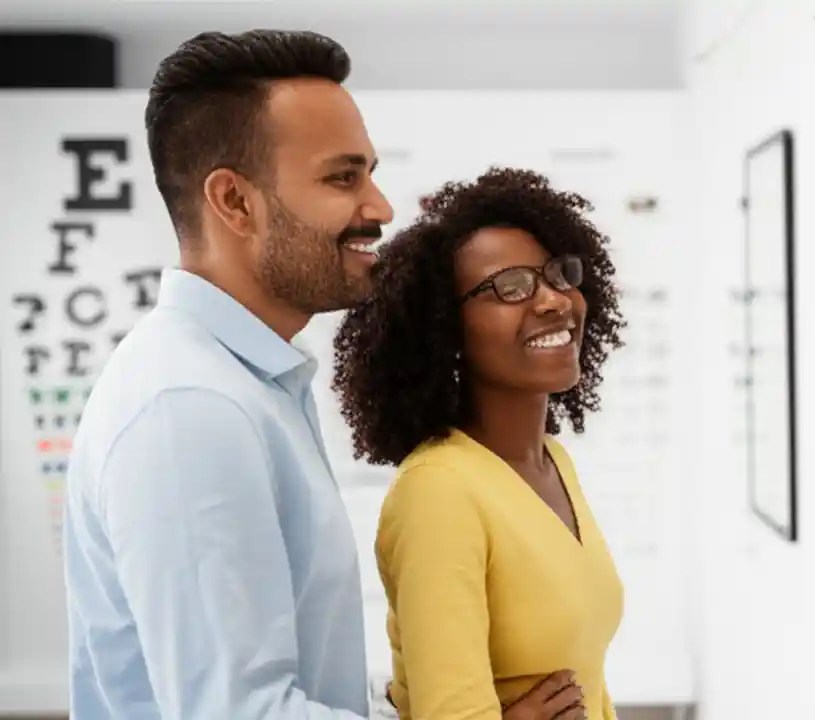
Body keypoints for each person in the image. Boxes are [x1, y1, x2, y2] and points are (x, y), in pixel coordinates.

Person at [61, 30, 575, 720]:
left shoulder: (249, 386)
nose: (381, 207)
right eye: (343, 177)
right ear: (234, 202)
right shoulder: (190, 408)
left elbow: (296, 682)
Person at [331, 167, 628, 720]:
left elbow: (588, 685)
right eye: (509, 287)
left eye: (558, 276)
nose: (553, 301)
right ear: (445, 330)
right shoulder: (438, 493)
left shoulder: (552, 462)